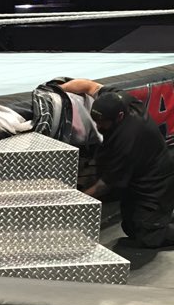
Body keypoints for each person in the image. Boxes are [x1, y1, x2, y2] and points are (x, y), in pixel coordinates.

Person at [62, 80, 174, 248]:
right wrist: (59, 90)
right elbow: (90, 86)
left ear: (120, 116)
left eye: (102, 122)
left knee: (148, 237)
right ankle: (159, 217)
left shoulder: (127, 140)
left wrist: (74, 200)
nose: (98, 126)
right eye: (96, 121)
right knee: (130, 226)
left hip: (156, 183)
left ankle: (159, 218)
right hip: (139, 173)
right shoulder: (122, 100)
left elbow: (104, 185)